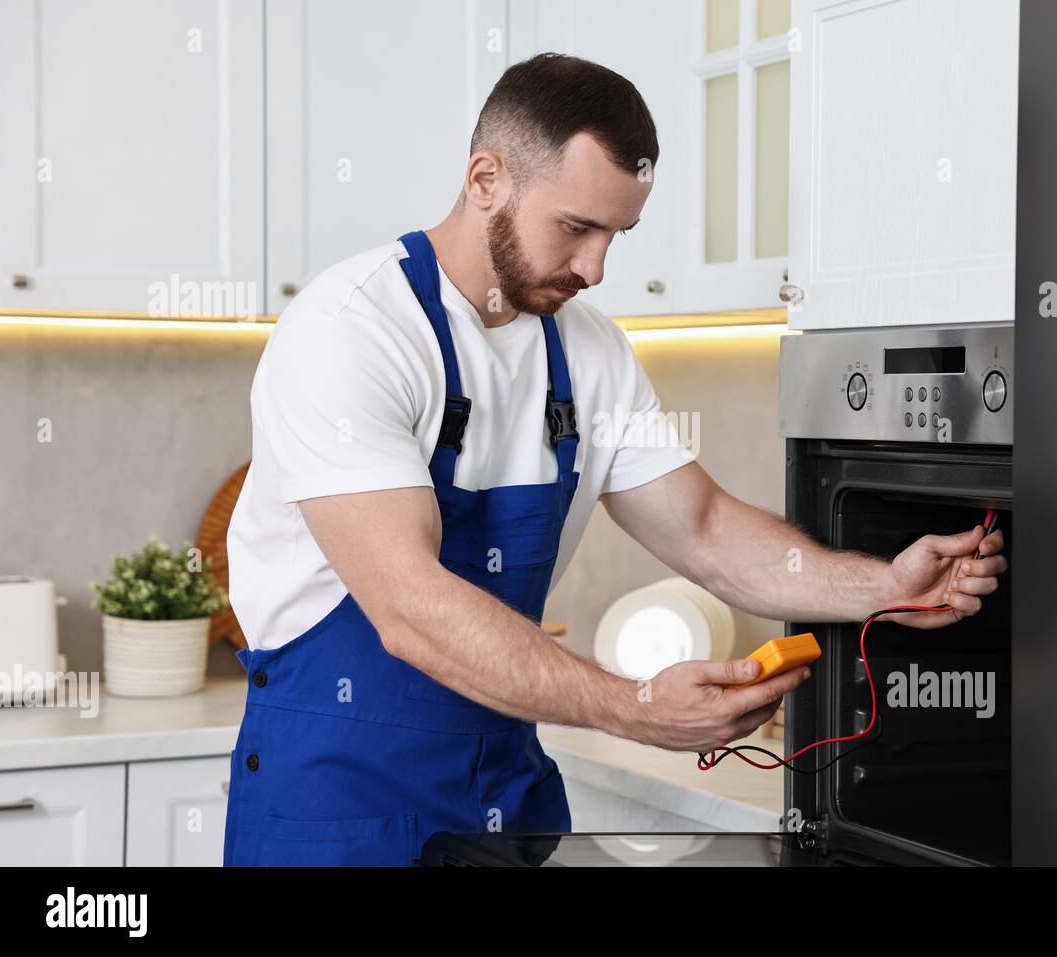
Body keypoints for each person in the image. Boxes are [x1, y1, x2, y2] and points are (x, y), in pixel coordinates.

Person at [222, 52, 1008, 866]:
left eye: (616, 235)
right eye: (576, 227)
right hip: (336, 816)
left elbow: (701, 528)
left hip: (500, 807)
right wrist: (633, 705)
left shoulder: (586, 349)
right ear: (486, 178)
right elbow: (411, 608)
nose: (596, 269)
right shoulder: (351, 330)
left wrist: (882, 587)